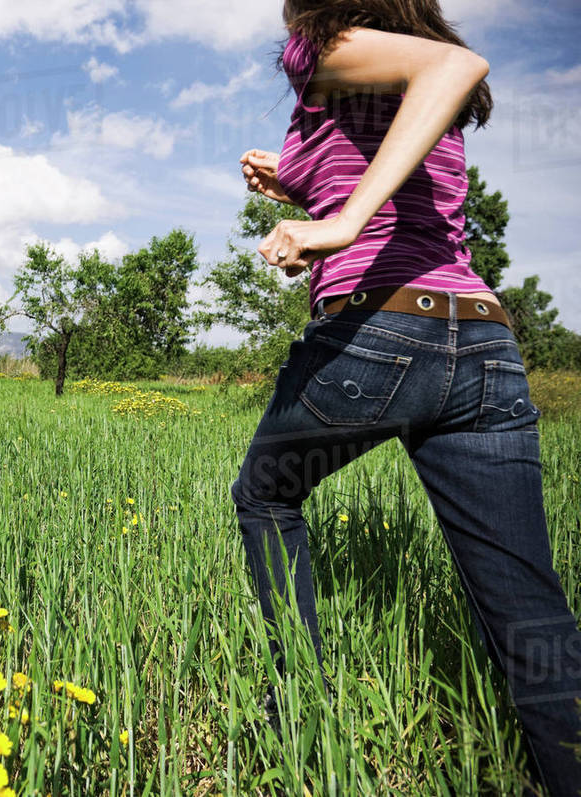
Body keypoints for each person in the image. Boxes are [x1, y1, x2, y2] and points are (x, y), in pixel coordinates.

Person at [231, 1, 581, 794]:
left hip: (382, 335)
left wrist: (339, 225)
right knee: (533, 618)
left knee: (265, 496)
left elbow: (460, 68)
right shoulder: (400, 75)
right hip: (482, 342)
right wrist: (296, 188)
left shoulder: (319, 47)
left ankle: (300, 716)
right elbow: (396, 175)